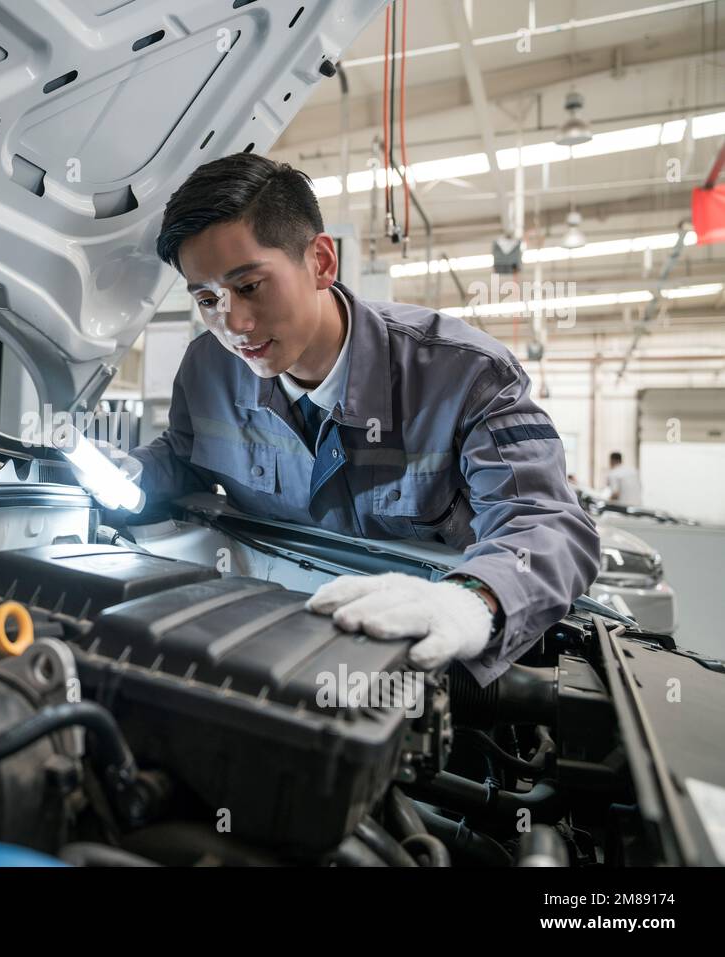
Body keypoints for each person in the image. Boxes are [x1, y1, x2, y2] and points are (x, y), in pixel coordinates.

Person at [126, 154, 600, 685]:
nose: (232, 322)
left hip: (428, 661)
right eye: (207, 298)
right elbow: (186, 460)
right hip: (270, 647)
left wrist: (469, 602)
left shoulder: (463, 374)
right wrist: (125, 474)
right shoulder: (207, 369)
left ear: (321, 262)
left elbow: (547, 523)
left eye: (251, 286)